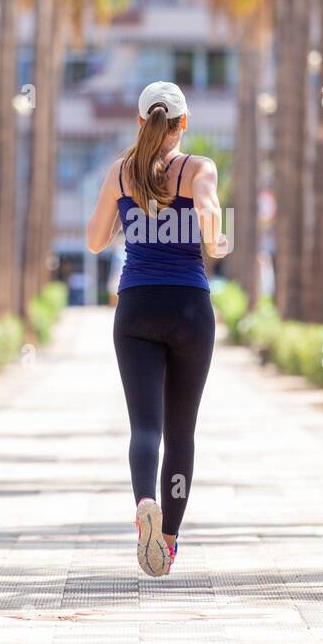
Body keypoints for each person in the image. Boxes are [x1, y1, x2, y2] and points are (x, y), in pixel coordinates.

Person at [85, 82, 230, 577]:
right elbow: (209, 216)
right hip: (188, 309)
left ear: (141, 122)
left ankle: (145, 501)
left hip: (136, 308)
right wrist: (217, 239)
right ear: (183, 123)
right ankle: (167, 541)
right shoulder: (198, 168)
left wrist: (128, 220)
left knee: (145, 428)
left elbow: (94, 240)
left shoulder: (121, 172)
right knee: (181, 432)